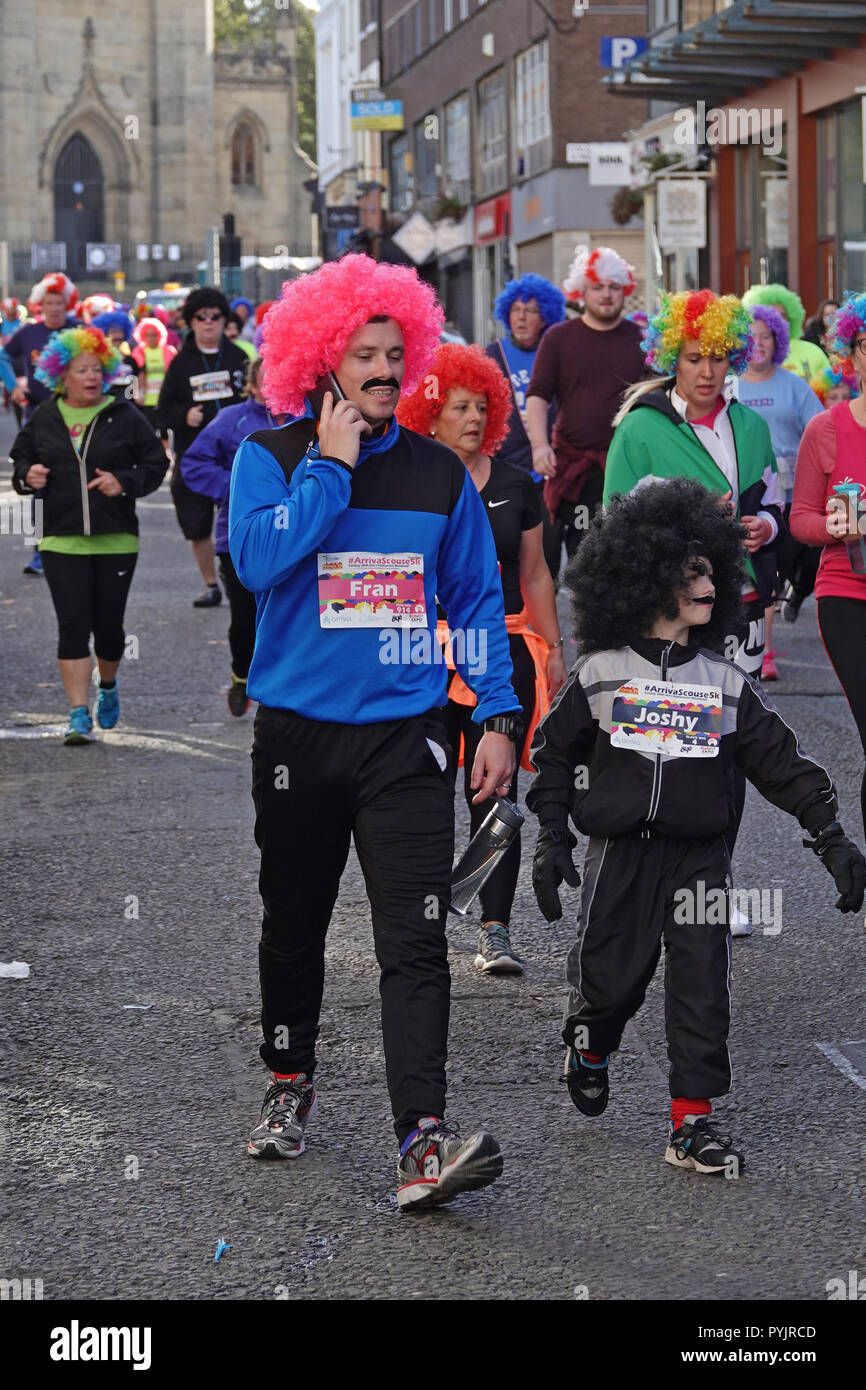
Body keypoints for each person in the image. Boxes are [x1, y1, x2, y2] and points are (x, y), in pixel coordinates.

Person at [229, 253, 521, 1209]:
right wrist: (330, 468)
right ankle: (287, 1084)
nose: (388, 369)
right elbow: (261, 561)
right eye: (367, 352)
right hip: (299, 738)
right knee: (294, 922)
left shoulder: (441, 473)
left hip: (406, 737)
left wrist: (496, 715)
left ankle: (422, 1141)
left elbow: (478, 597)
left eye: (398, 351)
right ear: (324, 360)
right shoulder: (269, 458)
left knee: (416, 937)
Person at [526, 476, 865, 1175]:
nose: (710, 582)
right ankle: (590, 1046)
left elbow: (781, 762)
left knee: (703, 988)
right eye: (692, 572)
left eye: (713, 569)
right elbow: (553, 752)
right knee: (608, 985)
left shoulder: (725, 681)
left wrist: (830, 836)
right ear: (648, 580)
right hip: (622, 856)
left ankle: (692, 1123)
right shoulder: (601, 673)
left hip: (699, 859)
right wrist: (552, 835)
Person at [603, 290, 782, 936]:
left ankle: (713, 890)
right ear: (670, 358)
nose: (708, 371)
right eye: (694, 358)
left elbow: (774, 509)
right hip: (666, 614)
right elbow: (614, 527)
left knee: (729, 751)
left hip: (741, 604)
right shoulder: (641, 428)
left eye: (719, 358)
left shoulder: (753, 427)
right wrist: (682, 515)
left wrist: (763, 524)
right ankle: (648, 890)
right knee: (669, 747)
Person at [398, 343, 566, 976]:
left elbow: (537, 573)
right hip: (419, 650)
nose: (472, 417)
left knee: (496, 789)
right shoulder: (410, 479)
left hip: (499, 648)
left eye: (482, 407)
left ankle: (493, 929)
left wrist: (553, 652)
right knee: (422, 786)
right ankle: (424, 916)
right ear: (430, 414)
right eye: (458, 406)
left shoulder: (519, 485)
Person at [9, 326, 168, 743]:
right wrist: (29, 474)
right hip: (59, 538)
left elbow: (155, 463)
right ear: (63, 376)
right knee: (72, 625)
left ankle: (108, 686)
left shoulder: (124, 414)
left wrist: (125, 481)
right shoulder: (45, 416)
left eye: (97, 368)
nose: (92, 376)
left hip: (117, 538)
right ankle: (78, 712)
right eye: (82, 370)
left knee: (110, 627)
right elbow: (21, 459)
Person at [791, 292, 866, 840]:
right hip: (849, 595)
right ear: (852, 354)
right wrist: (833, 528)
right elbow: (801, 519)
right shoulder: (827, 429)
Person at [525, 246, 645, 569]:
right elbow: (537, 395)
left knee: (621, 562)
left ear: (625, 291)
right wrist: (539, 446)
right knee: (575, 560)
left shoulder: (643, 341)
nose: (606, 295)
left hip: (626, 469)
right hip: (573, 469)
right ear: (582, 291)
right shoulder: (558, 338)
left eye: (614, 287)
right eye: (598, 286)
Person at [181, 358, 285, 716]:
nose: (274, 388)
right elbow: (194, 463)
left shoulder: (308, 419)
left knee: (288, 613)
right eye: (266, 382)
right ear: (252, 387)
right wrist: (236, 488)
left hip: (295, 537)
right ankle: (241, 674)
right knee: (244, 617)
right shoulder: (232, 420)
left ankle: (278, 687)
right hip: (238, 536)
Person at [735, 305, 823, 679]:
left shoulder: (793, 385)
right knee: (762, 570)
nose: (758, 344)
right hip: (745, 490)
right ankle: (764, 651)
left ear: (778, 342)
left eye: (766, 336)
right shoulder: (730, 384)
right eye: (750, 337)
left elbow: (820, 428)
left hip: (790, 491)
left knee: (787, 566)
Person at [157, 287, 247, 606]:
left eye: (215, 316)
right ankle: (211, 583)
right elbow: (162, 409)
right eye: (201, 317)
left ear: (225, 319)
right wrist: (184, 415)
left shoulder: (239, 357)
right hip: (195, 455)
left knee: (241, 515)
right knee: (196, 523)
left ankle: (237, 572)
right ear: (191, 321)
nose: (208, 322)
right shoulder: (181, 364)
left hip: (238, 456)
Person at [484, 273, 566, 580]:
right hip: (508, 467)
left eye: (531, 311)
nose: (522, 317)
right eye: (516, 310)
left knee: (548, 547)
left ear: (545, 315)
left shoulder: (557, 352)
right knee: (507, 545)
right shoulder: (493, 355)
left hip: (551, 471)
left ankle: (543, 612)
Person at [1, 272, 80, 574]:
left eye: (60, 302)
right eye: (49, 303)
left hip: (76, 417)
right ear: (39, 305)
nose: (55, 308)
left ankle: (76, 544)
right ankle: (39, 551)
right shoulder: (27, 333)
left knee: (76, 477)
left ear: (67, 303)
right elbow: (3, 358)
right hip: (38, 416)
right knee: (37, 481)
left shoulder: (79, 331)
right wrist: (14, 386)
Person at [741, 283, 830, 381]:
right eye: (772, 316)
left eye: (782, 316)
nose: (778, 321)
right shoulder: (747, 352)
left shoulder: (813, 352)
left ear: (791, 319)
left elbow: (831, 390)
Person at [129, 316, 176, 433]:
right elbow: (135, 376)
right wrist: (137, 394)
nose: (151, 338)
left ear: (159, 334)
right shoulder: (138, 353)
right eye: (147, 335)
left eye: (154, 334)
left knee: (167, 434)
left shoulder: (168, 351)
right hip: (147, 401)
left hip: (165, 400)